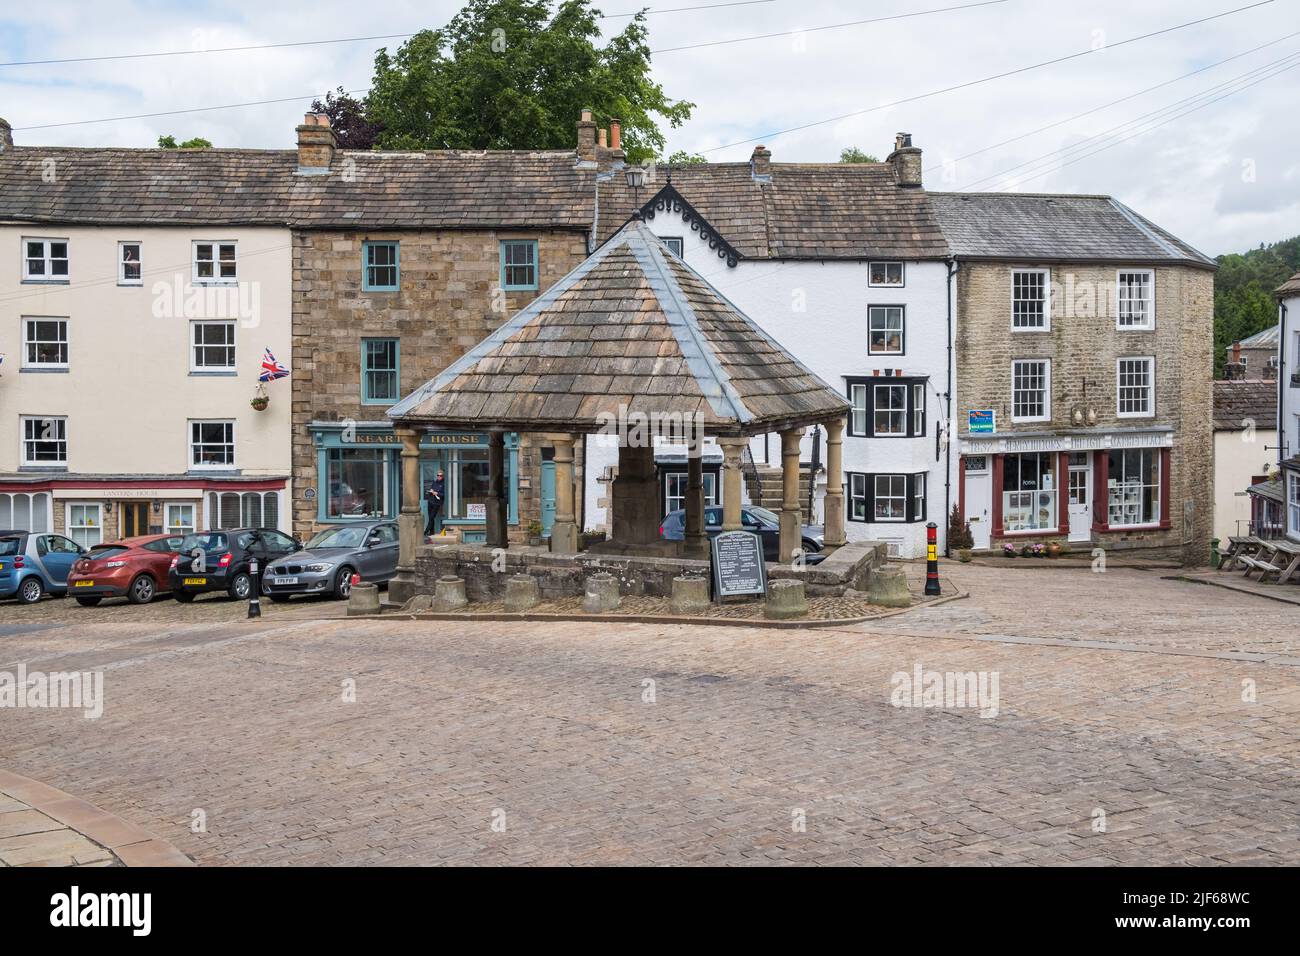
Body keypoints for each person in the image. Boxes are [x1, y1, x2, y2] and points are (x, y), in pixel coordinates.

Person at [424, 470, 445, 537]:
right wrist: (431, 491)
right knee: (431, 517)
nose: (439, 476)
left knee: (431, 517)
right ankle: (431, 532)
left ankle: (425, 531)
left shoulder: (444, 484)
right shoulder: (434, 482)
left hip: (437, 503)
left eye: (440, 475)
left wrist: (437, 493)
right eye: (438, 475)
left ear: (442, 476)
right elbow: (432, 489)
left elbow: (444, 494)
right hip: (430, 501)